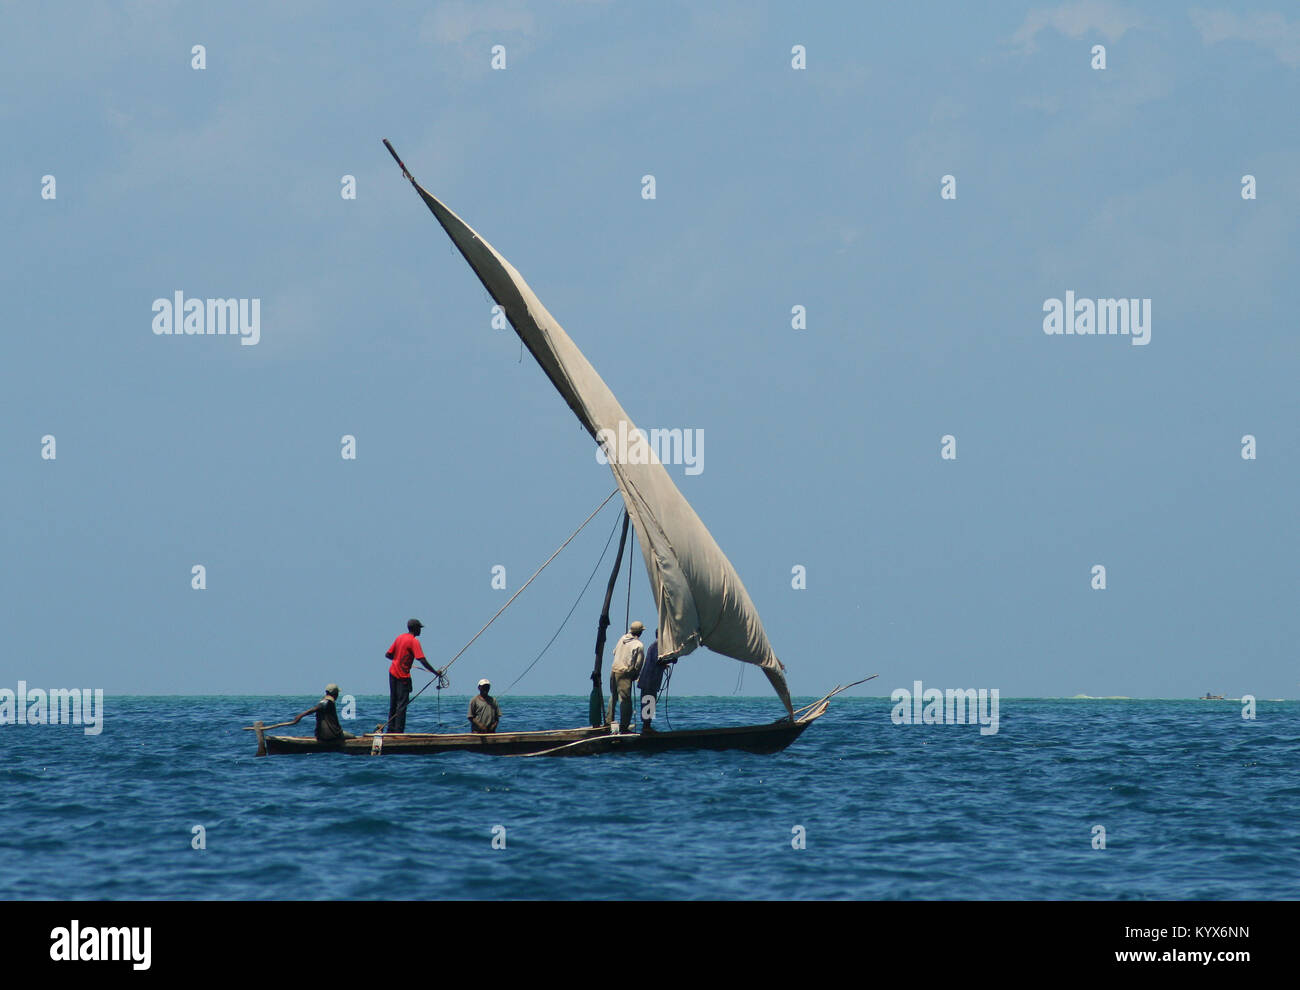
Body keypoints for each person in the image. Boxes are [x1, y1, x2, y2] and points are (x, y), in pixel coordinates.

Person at [384, 618, 437, 733]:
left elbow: (388, 654)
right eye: (419, 628)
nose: (420, 630)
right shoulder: (414, 641)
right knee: (401, 705)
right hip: (402, 677)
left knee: (393, 703)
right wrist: (435, 672)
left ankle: (390, 730)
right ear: (415, 628)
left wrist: (398, 660)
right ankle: (398, 732)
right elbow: (421, 659)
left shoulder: (400, 637)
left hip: (392, 673)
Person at [608, 620, 646, 733]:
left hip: (614, 669)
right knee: (625, 700)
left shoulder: (622, 638)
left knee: (613, 696)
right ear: (640, 633)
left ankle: (608, 721)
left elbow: (614, 652)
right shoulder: (639, 645)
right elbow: (638, 664)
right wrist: (635, 675)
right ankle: (624, 726)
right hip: (624, 673)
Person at [636, 627, 673, 732]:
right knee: (649, 702)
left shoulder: (656, 645)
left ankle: (646, 726)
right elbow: (658, 661)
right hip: (649, 680)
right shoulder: (657, 646)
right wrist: (670, 660)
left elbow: (657, 662)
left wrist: (665, 663)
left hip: (650, 680)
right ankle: (646, 727)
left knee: (649, 702)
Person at [288, 684, 353, 742]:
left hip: (320, 736)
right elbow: (315, 708)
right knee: (352, 737)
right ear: (335, 694)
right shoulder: (327, 702)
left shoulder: (324, 701)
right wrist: (301, 715)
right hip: (333, 736)